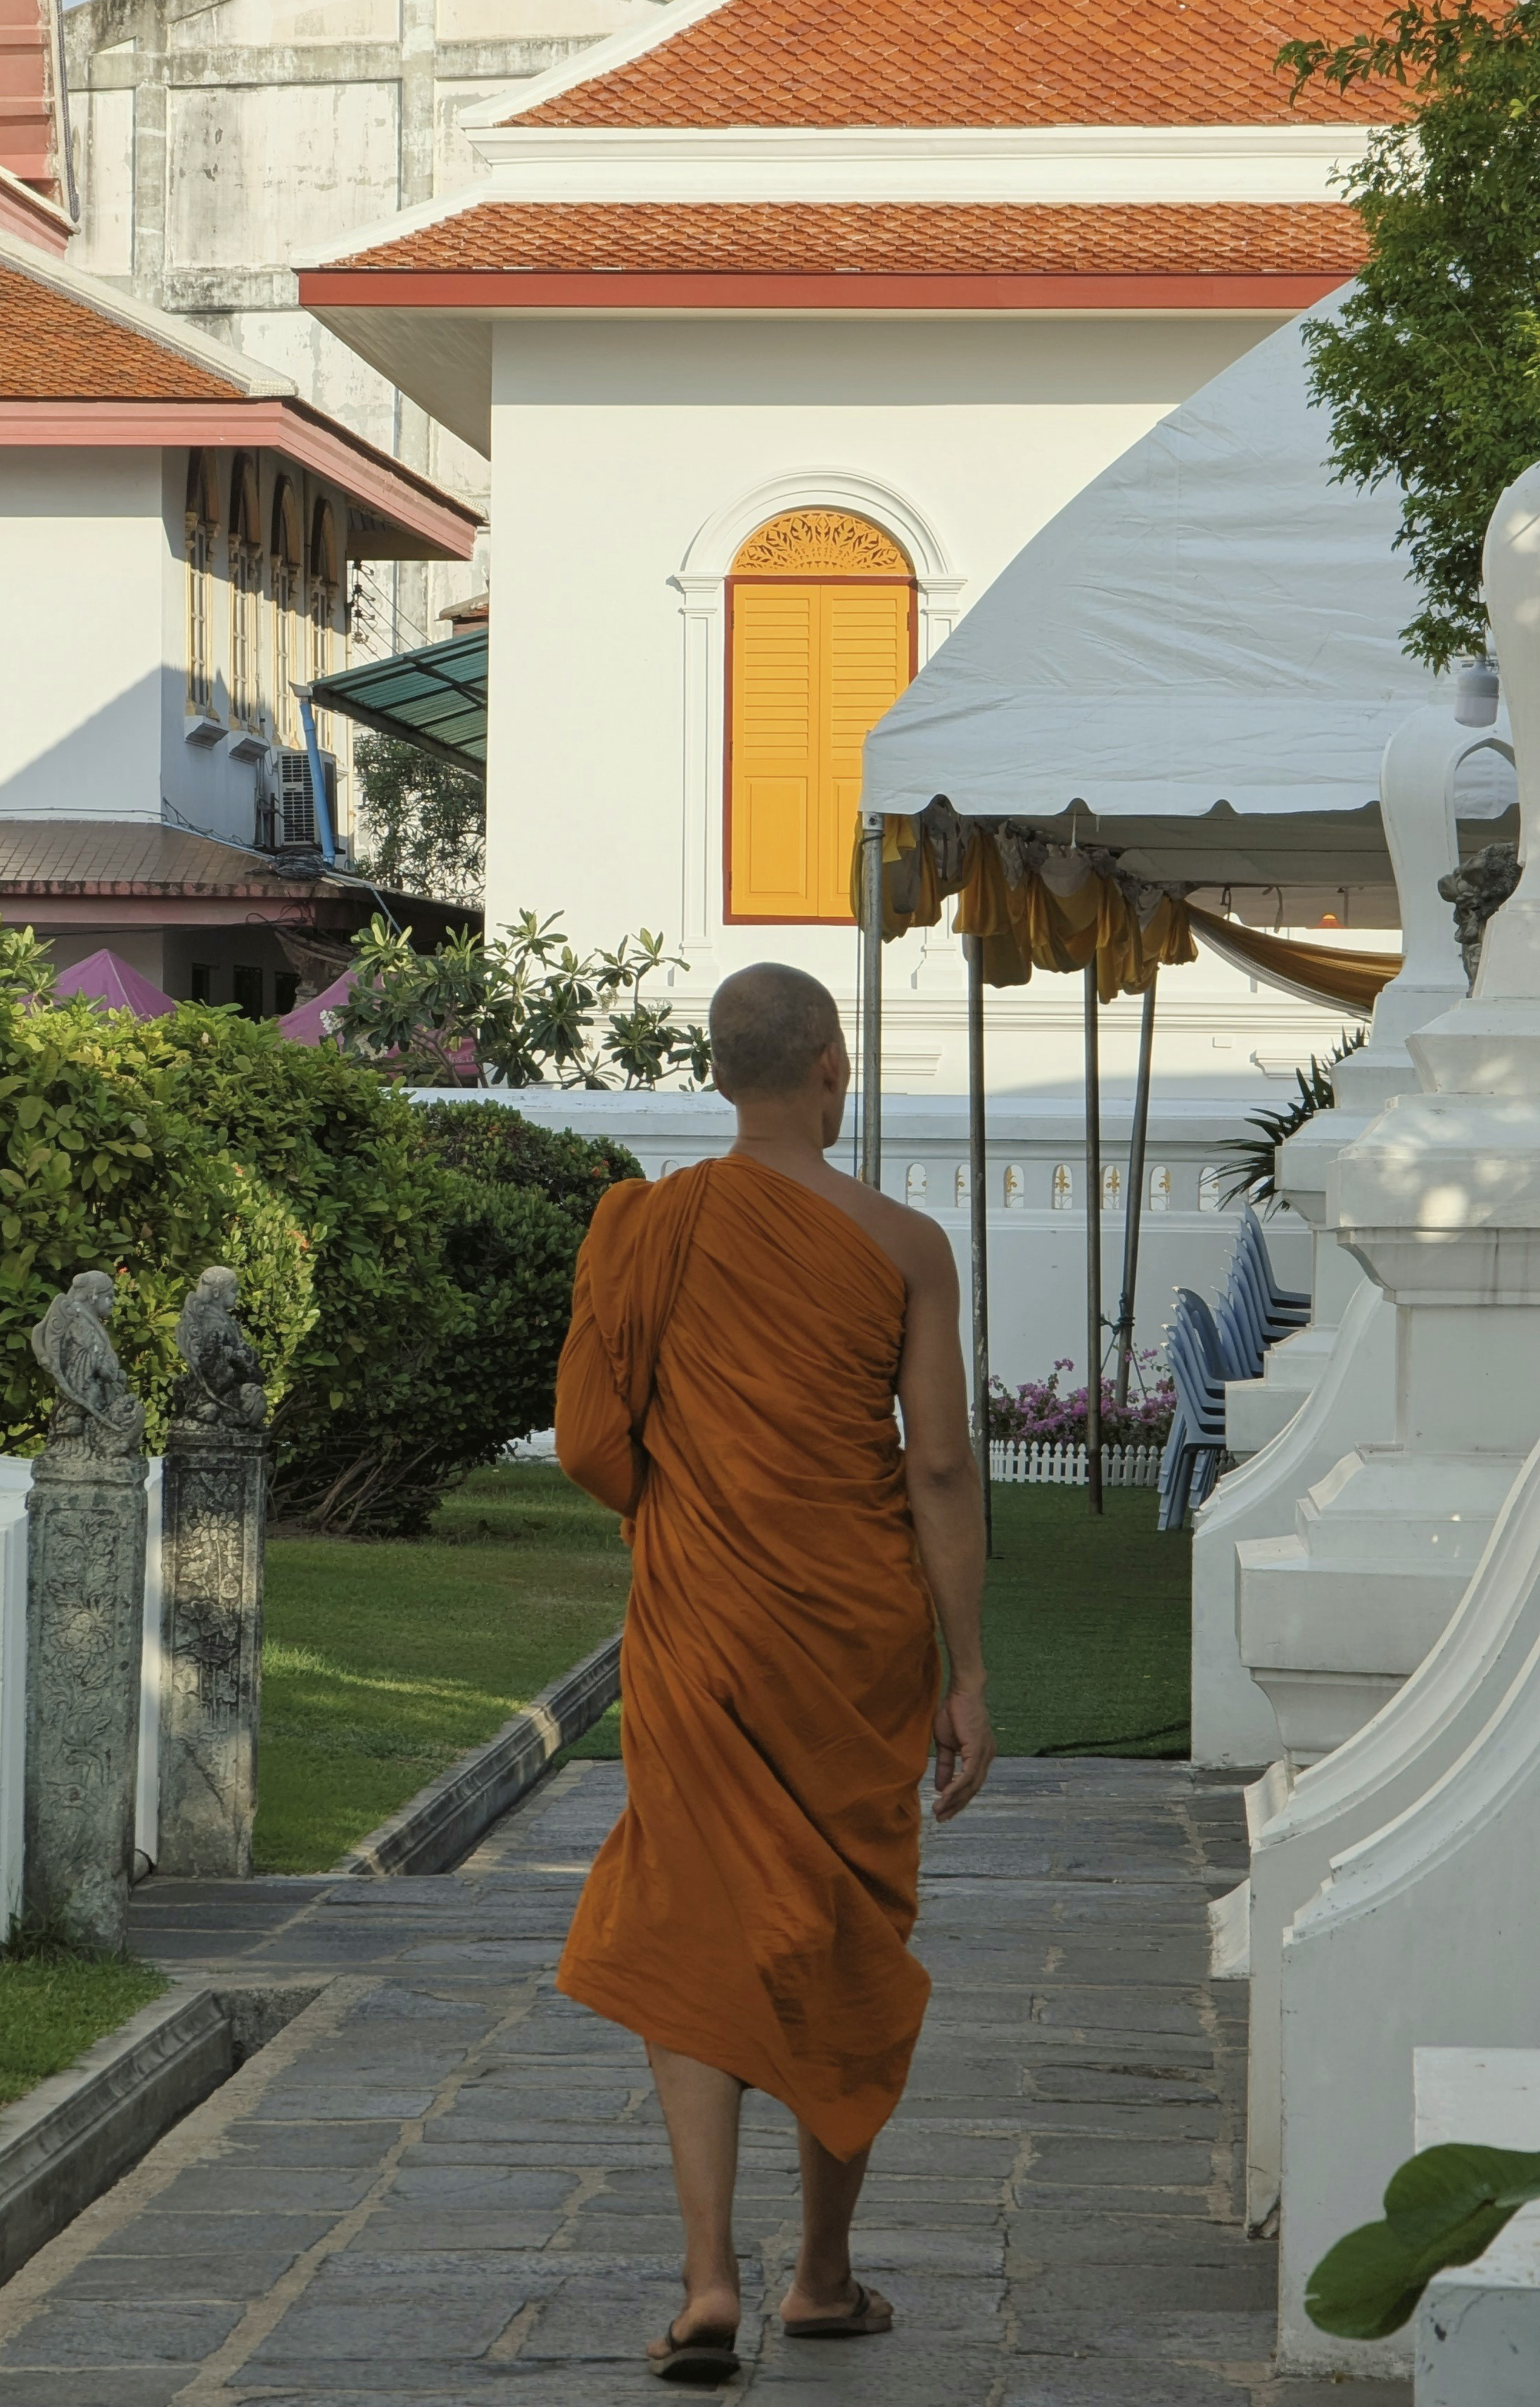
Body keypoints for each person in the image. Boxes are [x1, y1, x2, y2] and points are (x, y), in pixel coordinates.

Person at [554, 960, 993, 2387]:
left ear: (723, 1075)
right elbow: (935, 1461)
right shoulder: (906, 1244)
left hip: (698, 1622)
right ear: (833, 1070)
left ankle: (704, 2284)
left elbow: (588, 1444)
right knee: (842, 1930)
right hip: (853, 1640)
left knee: (694, 1912)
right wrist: (966, 1671)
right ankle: (822, 2274)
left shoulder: (650, 1227)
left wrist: (686, 1510)